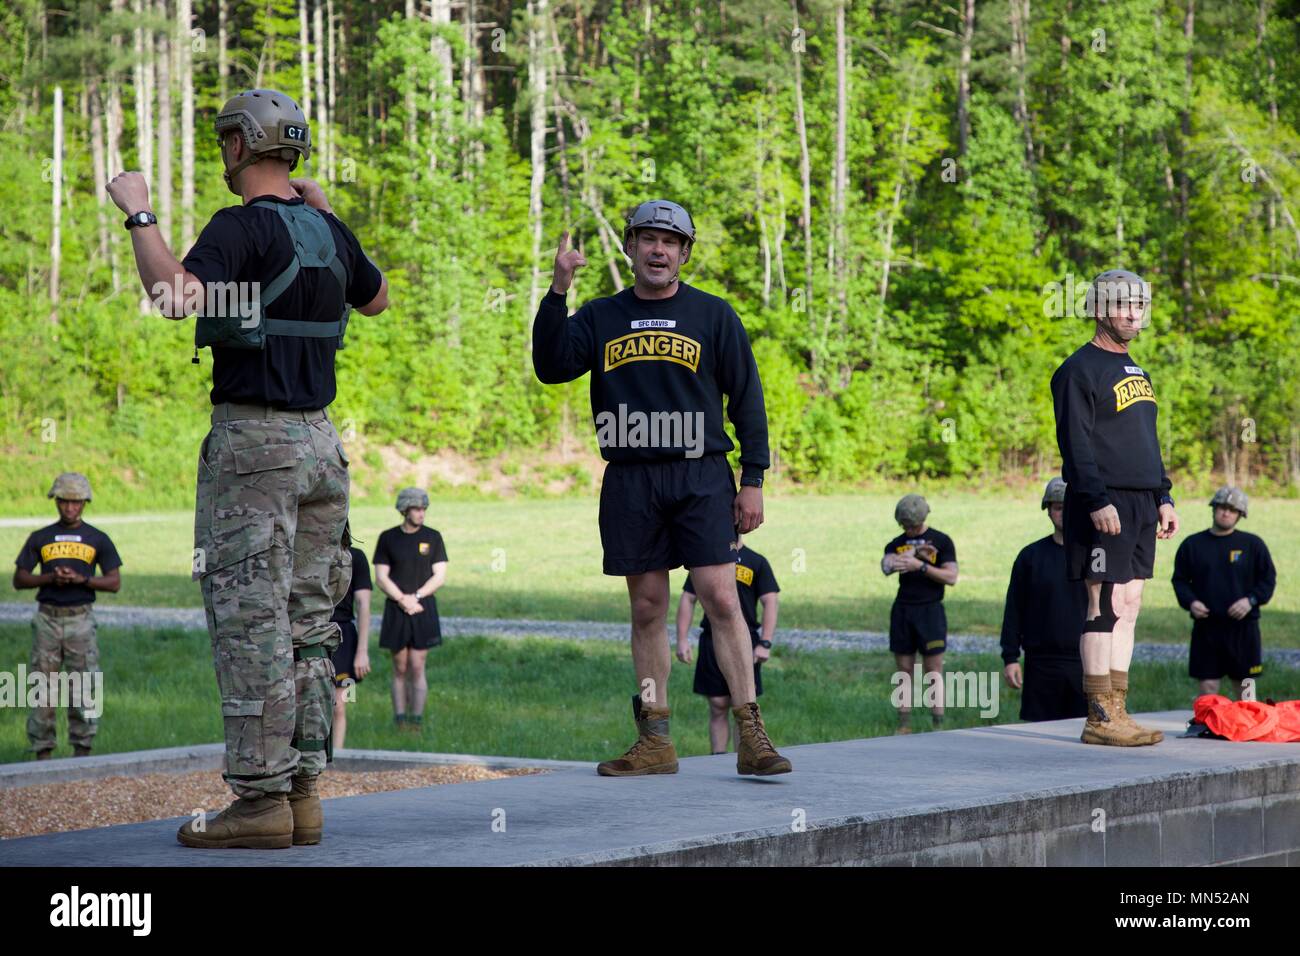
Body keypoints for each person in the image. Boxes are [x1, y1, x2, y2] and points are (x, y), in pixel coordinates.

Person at [108, 88, 389, 848]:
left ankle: (259, 801)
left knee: (249, 624)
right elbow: (378, 299)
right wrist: (327, 215)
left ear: (241, 146)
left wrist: (138, 211)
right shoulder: (325, 231)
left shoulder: (238, 229)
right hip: (323, 450)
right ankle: (303, 794)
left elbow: (172, 295)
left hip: (255, 447)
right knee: (306, 627)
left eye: (227, 140)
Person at [532, 199, 790, 776]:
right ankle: (655, 738)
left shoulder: (713, 315)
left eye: (669, 242)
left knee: (722, 597)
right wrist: (557, 291)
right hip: (631, 477)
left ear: (683, 253)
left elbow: (748, 398)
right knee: (647, 606)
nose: (657, 250)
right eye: (647, 239)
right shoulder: (601, 315)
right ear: (628, 247)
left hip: (700, 472)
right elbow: (551, 366)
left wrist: (753, 479)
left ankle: (752, 735)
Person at [1050, 269, 1178, 747]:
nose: (1133, 314)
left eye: (1139, 306)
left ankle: (1120, 710)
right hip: (1102, 501)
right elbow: (1075, 444)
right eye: (1123, 305)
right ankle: (1099, 716)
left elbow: (1146, 441)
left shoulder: (1137, 371)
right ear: (1100, 309)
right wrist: (1096, 498)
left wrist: (1163, 495)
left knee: (1130, 601)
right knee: (1102, 602)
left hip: (1142, 501)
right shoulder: (1077, 369)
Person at [12, 473, 122, 759]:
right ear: (56, 501)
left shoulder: (98, 538)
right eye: (64, 502)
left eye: (76, 502)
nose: (70, 508)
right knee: (41, 686)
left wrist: (81, 580)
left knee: (83, 686)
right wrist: (50, 578)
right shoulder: (41, 537)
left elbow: (114, 582)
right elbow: (20, 578)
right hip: (47, 619)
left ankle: (82, 753)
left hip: (81, 620)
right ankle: (42, 754)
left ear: (84, 503)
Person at [675, 537, 779, 754]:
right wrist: (682, 639)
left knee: (742, 705)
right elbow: (688, 598)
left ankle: (746, 754)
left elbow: (770, 601)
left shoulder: (756, 561)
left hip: (746, 641)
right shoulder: (705, 561)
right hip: (711, 639)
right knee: (717, 704)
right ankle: (718, 756)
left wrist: (765, 642)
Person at [1171, 487, 1276, 702]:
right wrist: (1191, 602)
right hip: (1207, 627)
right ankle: (1207, 726)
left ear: (1240, 515)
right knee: (1208, 686)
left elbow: (1268, 580)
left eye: (1232, 510)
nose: (1226, 513)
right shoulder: (1192, 545)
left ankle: (1248, 726)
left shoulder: (1253, 544)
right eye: (1222, 507)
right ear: (1213, 508)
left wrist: (1251, 600)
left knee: (1245, 686)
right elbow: (1180, 581)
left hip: (1243, 627)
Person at [1000, 478, 1089, 721]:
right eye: (1058, 507)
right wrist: (1010, 657)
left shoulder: (1095, 555)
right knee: (1039, 736)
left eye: (1069, 506)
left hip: (1086, 661)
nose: (1063, 512)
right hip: (1041, 663)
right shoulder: (1030, 557)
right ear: (1048, 511)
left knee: (1086, 735)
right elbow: (1014, 609)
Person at [881, 494, 958, 733]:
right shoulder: (895, 543)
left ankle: (938, 723)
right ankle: (904, 724)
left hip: (931, 611)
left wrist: (921, 567)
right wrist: (910, 556)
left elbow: (951, 577)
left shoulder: (942, 541)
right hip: (903, 610)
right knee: (904, 669)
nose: (910, 530)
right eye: (905, 526)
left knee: (933, 669)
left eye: (913, 526)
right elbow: (886, 566)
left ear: (923, 519)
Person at [373, 488, 448, 730]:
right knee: (400, 665)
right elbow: (381, 577)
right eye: (417, 509)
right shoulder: (388, 538)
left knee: (418, 664)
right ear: (404, 510)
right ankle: (399, 719)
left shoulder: (433, 537)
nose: (421, 513)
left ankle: (416, 720)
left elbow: (440, 576)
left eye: (424, 509)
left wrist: (416, 597)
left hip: (422, 606)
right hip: (397, 607)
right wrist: (402, 599)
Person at [330, 544, 373, 749]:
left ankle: (337, 757)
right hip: (312, 631)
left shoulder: (356, 557)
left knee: (340, 705)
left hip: (345, 638)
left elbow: (364, 605)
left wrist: (362, 651)